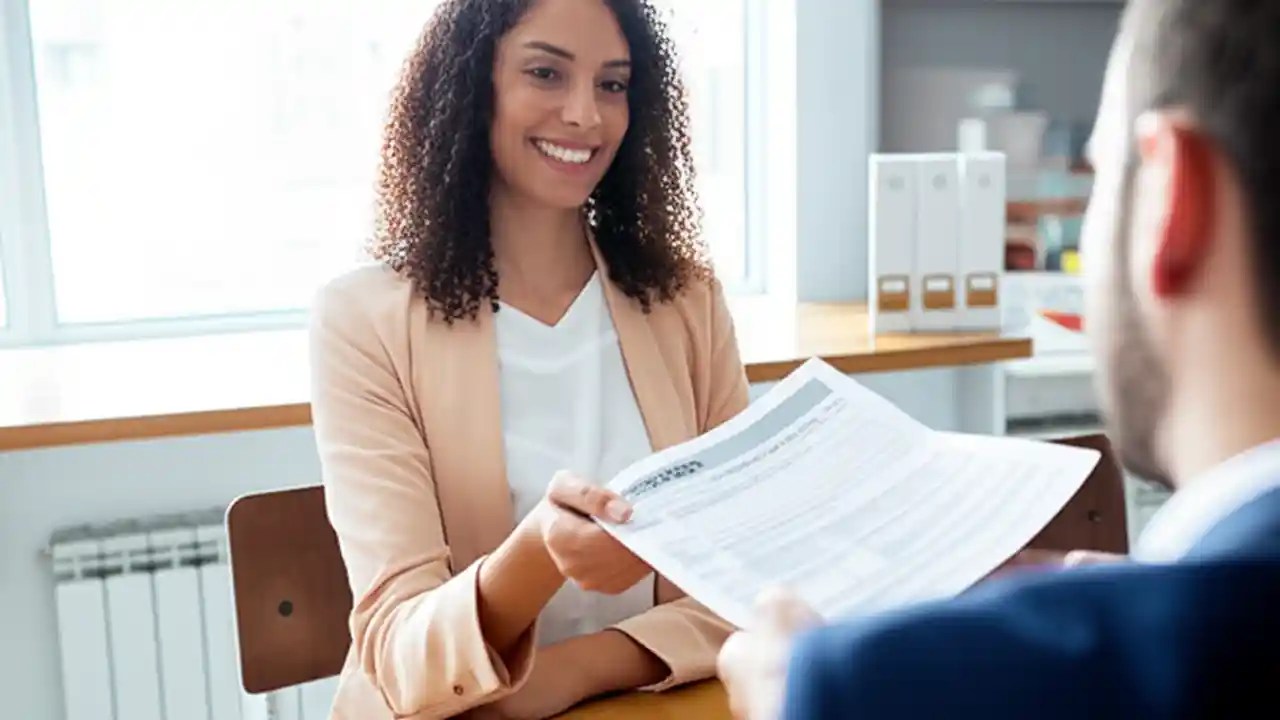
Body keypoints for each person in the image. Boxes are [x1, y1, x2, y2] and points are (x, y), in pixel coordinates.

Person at [717, 0, 1280, 717]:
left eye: (1099, 181)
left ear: (1171, 199)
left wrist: (795, 692)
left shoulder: (872, 690)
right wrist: (1148, 588)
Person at [307, 0, 748, 717]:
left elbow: (745, 579)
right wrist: (538, 551)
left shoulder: (686, 303)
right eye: (546, 73)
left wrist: (572, 670)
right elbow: (399, 650)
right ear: (471, 86)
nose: (585, 115)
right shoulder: (363, 320)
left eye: (612, 84)